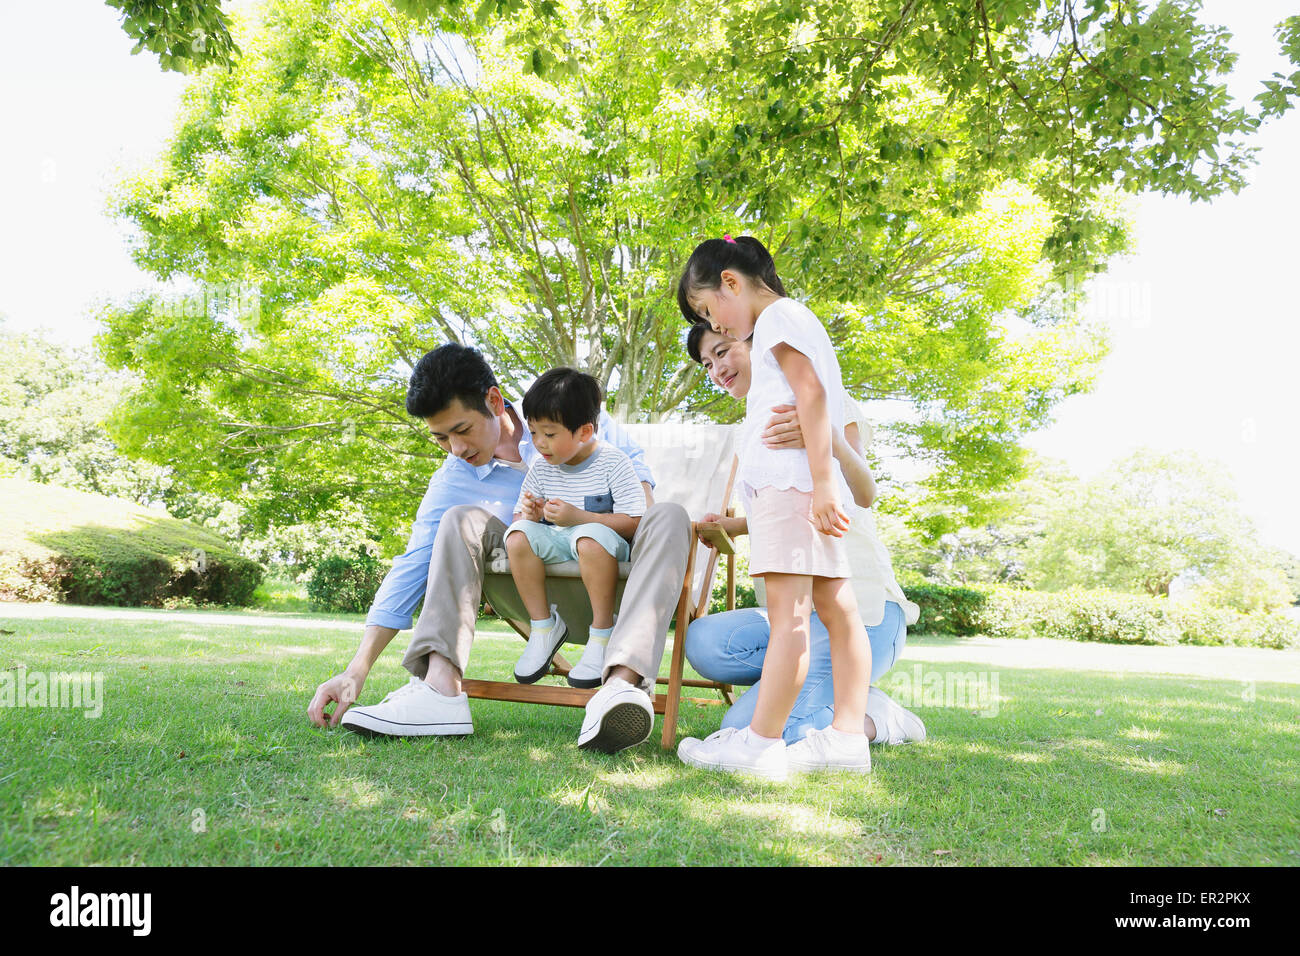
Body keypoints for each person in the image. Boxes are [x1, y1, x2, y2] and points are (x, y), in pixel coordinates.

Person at [306, 343, 686, 754]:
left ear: (493, 399)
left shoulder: (571, 410)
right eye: (440, 438)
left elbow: (639, 506)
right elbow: (412, 565)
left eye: (463, 430)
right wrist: (356, 670)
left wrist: (584, 519)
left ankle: (621, 687)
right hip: (536, 595)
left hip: (618, 589)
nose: (456, 449)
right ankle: (440, 689)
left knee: (668, 514)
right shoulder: (454, 478)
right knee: (459, 519)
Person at [674, 234, 871, 780]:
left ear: (730, 283)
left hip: (793, 490)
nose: (718, 324)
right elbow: (807, 395)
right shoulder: (793, 320)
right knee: (836, 610)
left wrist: (824, 482)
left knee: (791, 618)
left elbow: (811, 395)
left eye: (710, 310)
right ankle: (847, 739)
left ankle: (760, 744)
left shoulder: (777, 320)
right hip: (797, 491)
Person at [684, 322, 925, 748]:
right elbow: (785, 514)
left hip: (864, 615)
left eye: (722, 351)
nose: (716, 369)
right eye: (707, 364)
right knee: (703, 642)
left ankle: (876, 716)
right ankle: (824, 688)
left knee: (747, 729)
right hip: (793, 619)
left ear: (759, 345)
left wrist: (825, 439)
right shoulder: (750, 429)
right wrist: (733, 527)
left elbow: (859, 494)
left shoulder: (827, 398)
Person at [504, 367, 647, 687]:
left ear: (584, 431)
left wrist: (579, 518)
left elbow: (635, 522)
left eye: (550, 434)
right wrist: (531, 514)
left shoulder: (614, 462)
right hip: (559, 541)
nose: (539, 443)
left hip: (603, 545)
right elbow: (520, 522)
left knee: (588, 538)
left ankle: (602, 633)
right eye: (534, 432)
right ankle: (543, 627)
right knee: (515, 538)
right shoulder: (542, 468)